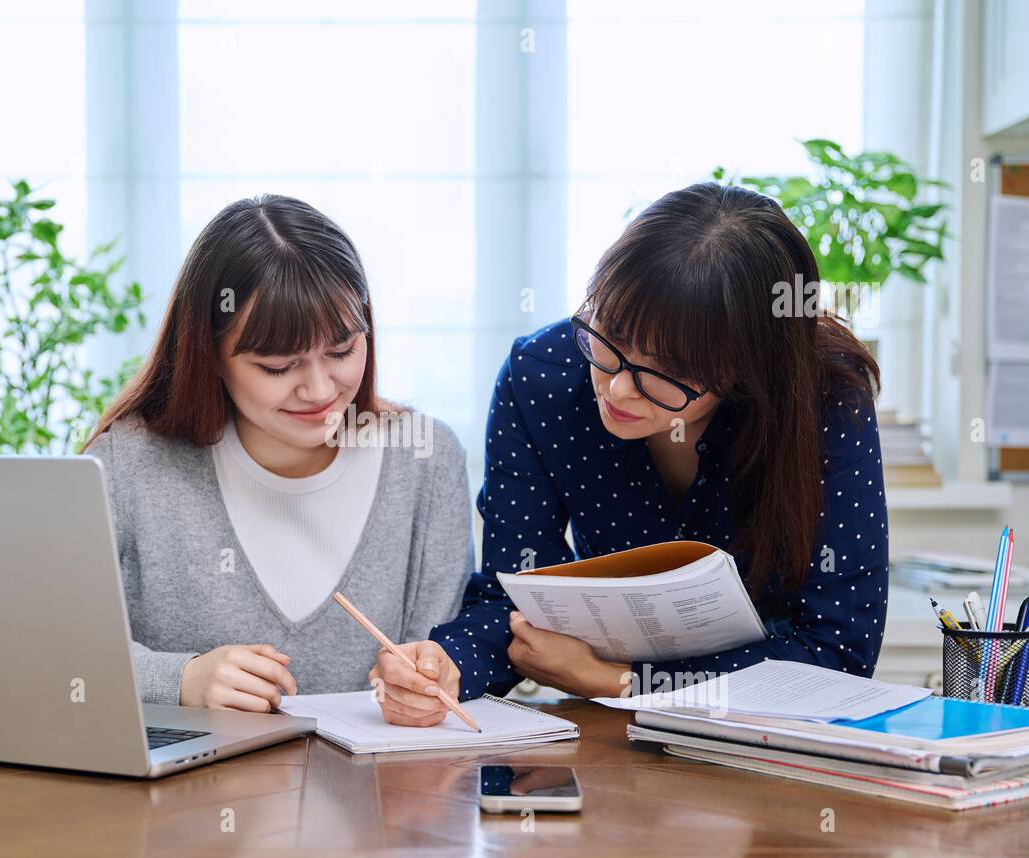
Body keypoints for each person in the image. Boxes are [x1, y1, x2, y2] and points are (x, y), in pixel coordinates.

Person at [372, 181, 886, 724]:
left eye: (665, 374)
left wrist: (617, 681)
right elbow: (515, 596)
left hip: (763, 745)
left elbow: (837, 655)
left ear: (746, 370)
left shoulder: (825, 399)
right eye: (609, 336)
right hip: (609, 744)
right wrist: (446, 664)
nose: (617, 389)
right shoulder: (541, 378)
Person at [84, 194, 473, 714]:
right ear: (210, 356)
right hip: (189, 793)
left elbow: (438, 653)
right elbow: (51, 648)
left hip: (380, 792)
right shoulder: (128, 467)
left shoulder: (426, 461)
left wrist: (429, 681)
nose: (318, 390)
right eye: (277, 366)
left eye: (341, 352)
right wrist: (181, 679)